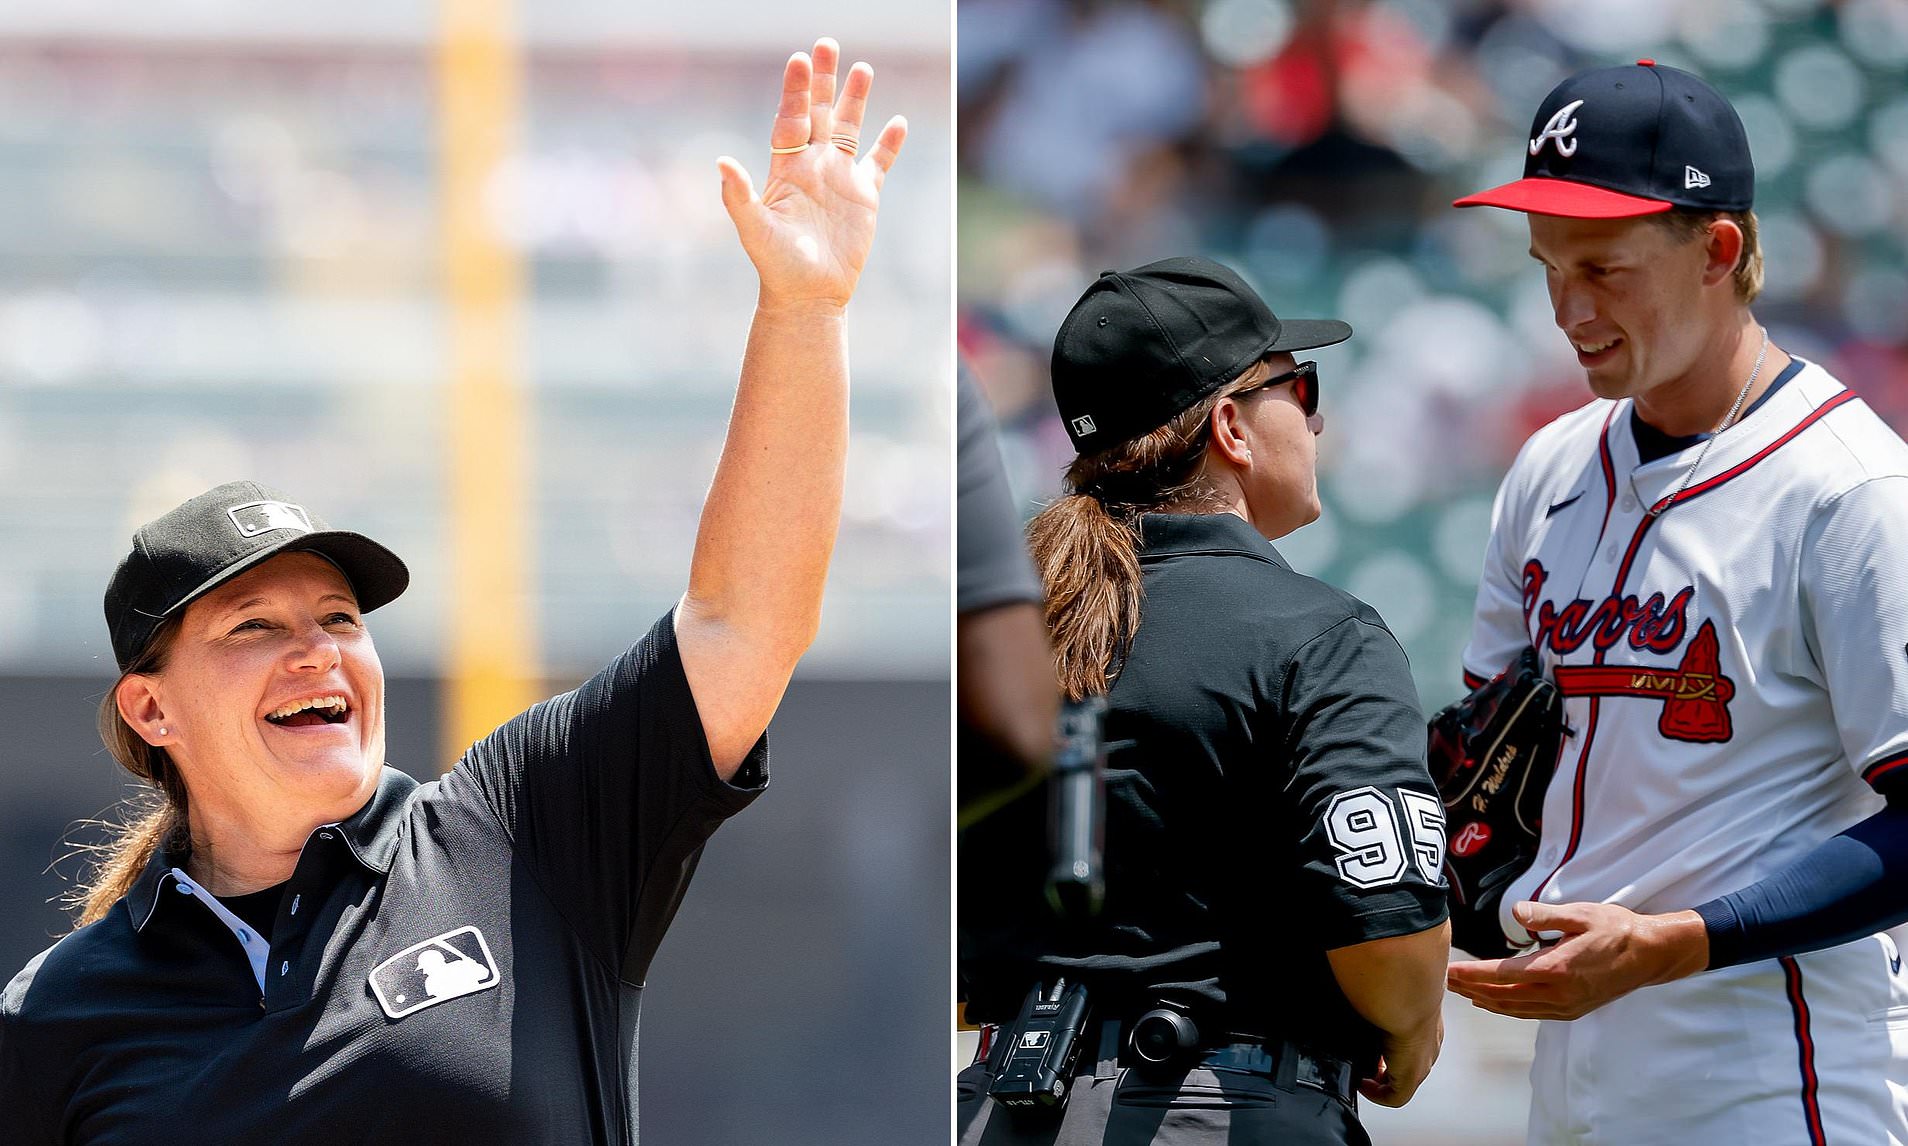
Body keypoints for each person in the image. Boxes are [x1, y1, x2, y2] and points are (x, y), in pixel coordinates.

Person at [0, 38, 905, 1144]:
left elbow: (743, 620)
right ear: (151, 708)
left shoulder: (515, 833)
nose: (320, 650)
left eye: (339, 618)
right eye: (256, 626)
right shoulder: (56, 1015)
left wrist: (804, 309)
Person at [1446, 60, 1908, 1143]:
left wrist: (1681, 940)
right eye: (1549, 269)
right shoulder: (1550, 470)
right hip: (1569, 1060)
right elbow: (1477, 773)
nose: (1569, 309)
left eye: (1604, 268)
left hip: (1774, 1068)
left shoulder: (1848, 490)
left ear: (1719, 251)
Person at [958, 256, 1450, 1145]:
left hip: (995, 1109)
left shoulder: (1013, 632)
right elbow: (1389, 946)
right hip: (1218, 1111)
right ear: (1231, 424)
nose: (1316, 414)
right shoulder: (1320, 634)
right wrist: (1414, 1028)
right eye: (1297, 386)